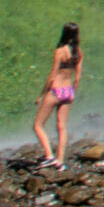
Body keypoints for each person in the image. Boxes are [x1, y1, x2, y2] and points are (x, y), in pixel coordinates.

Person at [31, 22, 81, 164]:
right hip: (68, 90)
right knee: (61, 127)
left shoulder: (60, 51)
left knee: (38, 125)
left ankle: (48, 155)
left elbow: (53, 75)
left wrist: (41, 95)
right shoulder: (78, 52)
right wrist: (73, 93)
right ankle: (60, 161)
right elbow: (77, 77)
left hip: (56, 90)